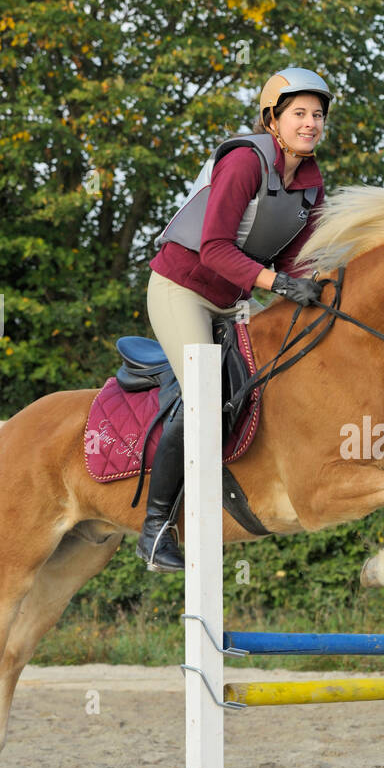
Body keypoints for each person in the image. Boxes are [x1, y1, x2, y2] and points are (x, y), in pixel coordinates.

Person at [138, 67, 332, 572]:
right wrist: (279, 285)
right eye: (299, 113)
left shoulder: (311, 184)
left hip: (236, 297)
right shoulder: (246, 162)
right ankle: (156, 528)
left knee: (262, 386)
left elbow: (297, 264)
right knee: (204, 396)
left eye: (317, 115)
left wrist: (326, 289)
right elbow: (214, 247)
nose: (310, 123)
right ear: (273, 118)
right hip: (183, 288)